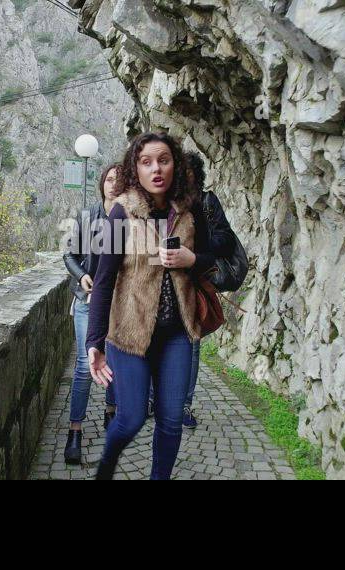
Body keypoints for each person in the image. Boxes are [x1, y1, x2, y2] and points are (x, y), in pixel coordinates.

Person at [86, 132, 215, 480]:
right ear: (136, 169)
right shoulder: (119, 213)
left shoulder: (190, 211)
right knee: (131, 417)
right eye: (146, 162)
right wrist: (93, 343)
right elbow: (102, 281)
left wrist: (191, 258)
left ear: (175, 164)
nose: (156, 168)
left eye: (163, 159)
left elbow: (210, 258)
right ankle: (105, 470)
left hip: (176, 333)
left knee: (171, 420)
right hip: (128, 334)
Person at [61, 163, 120, 465]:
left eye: (119, 180)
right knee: (85, 365)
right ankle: (75, 430)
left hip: (118, 304)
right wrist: (83, 275)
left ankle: (111, 413)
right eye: (109, 179)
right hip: (87, 301)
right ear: (101, 183)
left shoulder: (132, 219)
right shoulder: (87, 216)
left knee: (114, 361)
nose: (113, 184)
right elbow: (69, 254)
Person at [181, 151, 236, 429]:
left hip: (195, 286)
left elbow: (225, 239)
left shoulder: (206, 202)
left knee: (191, 346)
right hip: (164, 288)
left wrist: (196, 251)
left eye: (188, 172)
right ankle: (156, 398)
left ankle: (184, 405)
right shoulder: (163, 204)